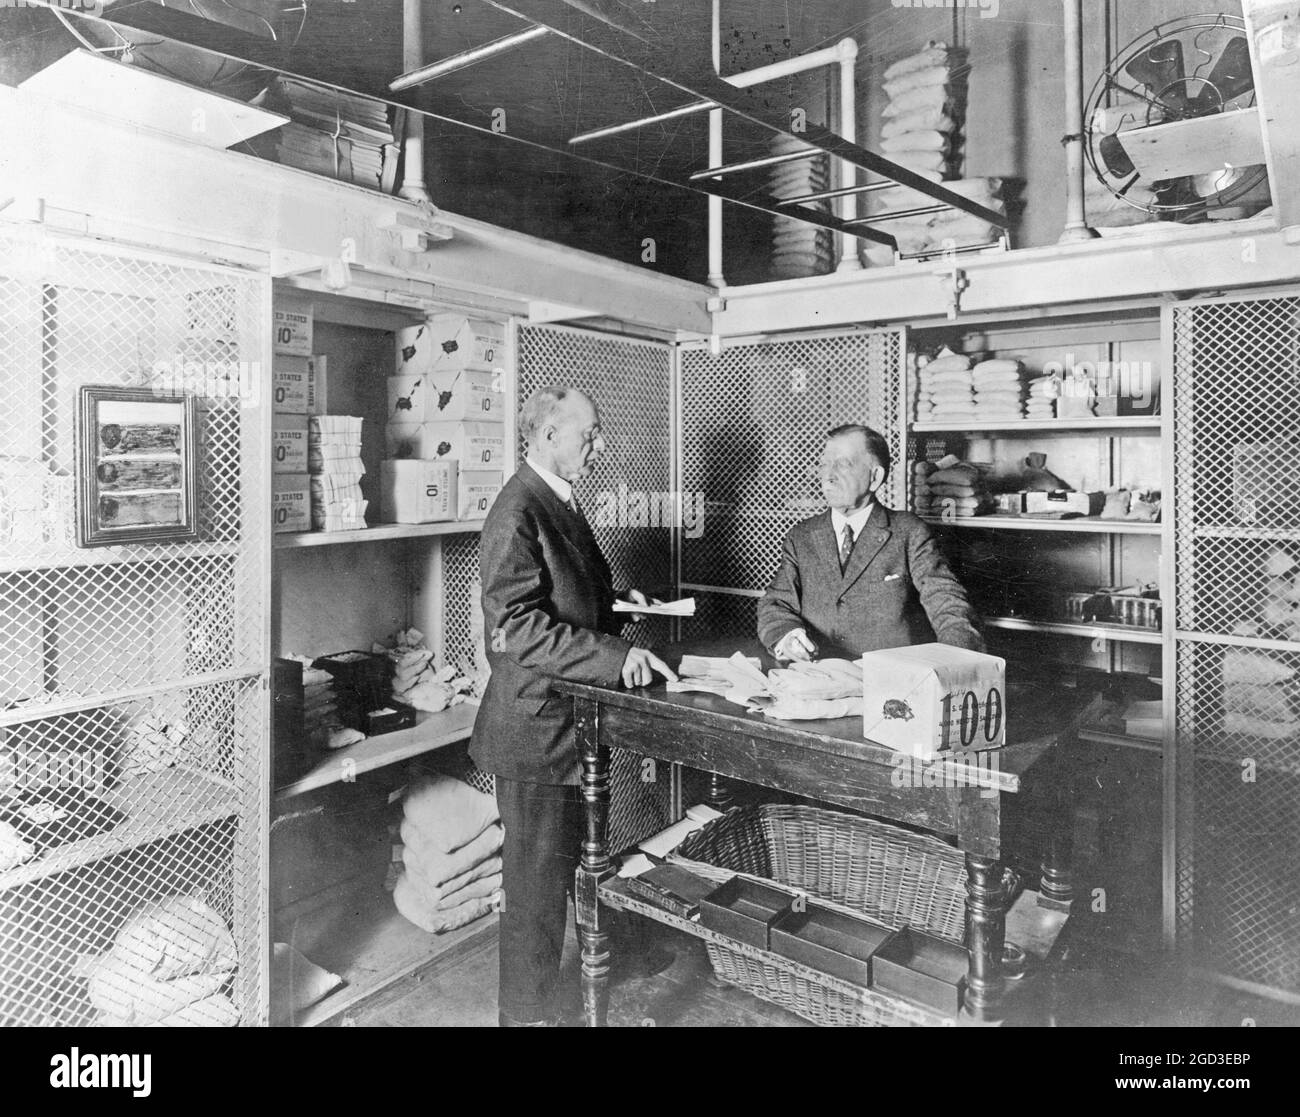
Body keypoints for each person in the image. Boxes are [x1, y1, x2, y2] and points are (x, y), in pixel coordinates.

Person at [470, 385, 677, 1027]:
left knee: (574, 864)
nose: (599, 445)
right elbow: (517, 629)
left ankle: (600, 957)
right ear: (548, 436)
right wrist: (617, 658)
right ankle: (526, 1015)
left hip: (568, 721)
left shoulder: (554, 499)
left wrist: (619, 604)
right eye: (588, 435)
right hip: (534, 728)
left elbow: (566, 598)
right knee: (533, 889)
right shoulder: (518, 509)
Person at [758, 424, 983, 661]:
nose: (828, 475)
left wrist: (954, 665)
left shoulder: (908, 532)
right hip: (819, 676)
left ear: (875, 477)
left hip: (889, 681)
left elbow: (948, 604)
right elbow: (775, 603)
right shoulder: (802, 536)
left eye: (843, 464)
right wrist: (788, 636)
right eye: (824, 464)